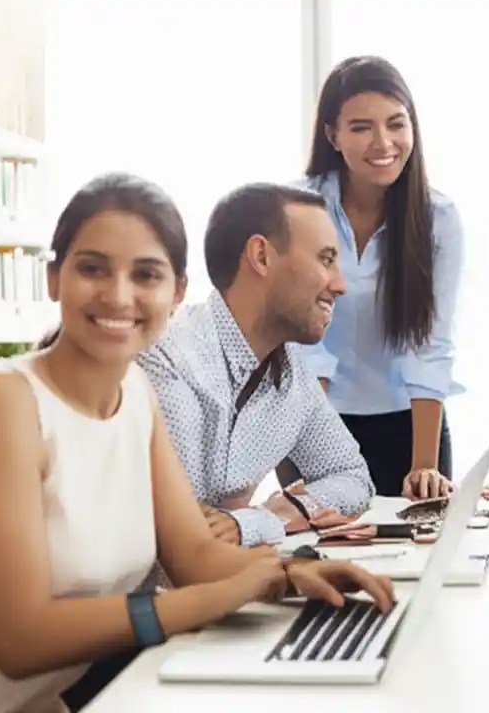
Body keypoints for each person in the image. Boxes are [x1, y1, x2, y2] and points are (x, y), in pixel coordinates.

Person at [0, 173, 394, 713]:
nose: (119, 295)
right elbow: (17, 641)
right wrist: (207, 600)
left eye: (146, 275)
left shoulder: (134, 395)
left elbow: (192, 553)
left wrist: (291, 576)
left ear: (177, 292)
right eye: (92, 268)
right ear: (53, 279)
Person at [137, 183, 377, 549]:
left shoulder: (292, 370)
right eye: (326, 259)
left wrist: (272, 515)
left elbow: (354, 478)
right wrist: (259, 523)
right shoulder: (169, 358)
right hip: (152, 600)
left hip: (222, 589)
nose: (340, 285)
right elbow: (189, 532)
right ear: (262, 256)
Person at [297, 55, 463, 499]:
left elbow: (432, 345)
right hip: (319, 421)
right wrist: (316, 454)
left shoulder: (439, 219)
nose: (383, 142)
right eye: (361, 127)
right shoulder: (301, 209)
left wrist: (424, 465)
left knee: (418, 559)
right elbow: (302, 346)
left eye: (396, 124)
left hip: (412, 428)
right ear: (332, 134)